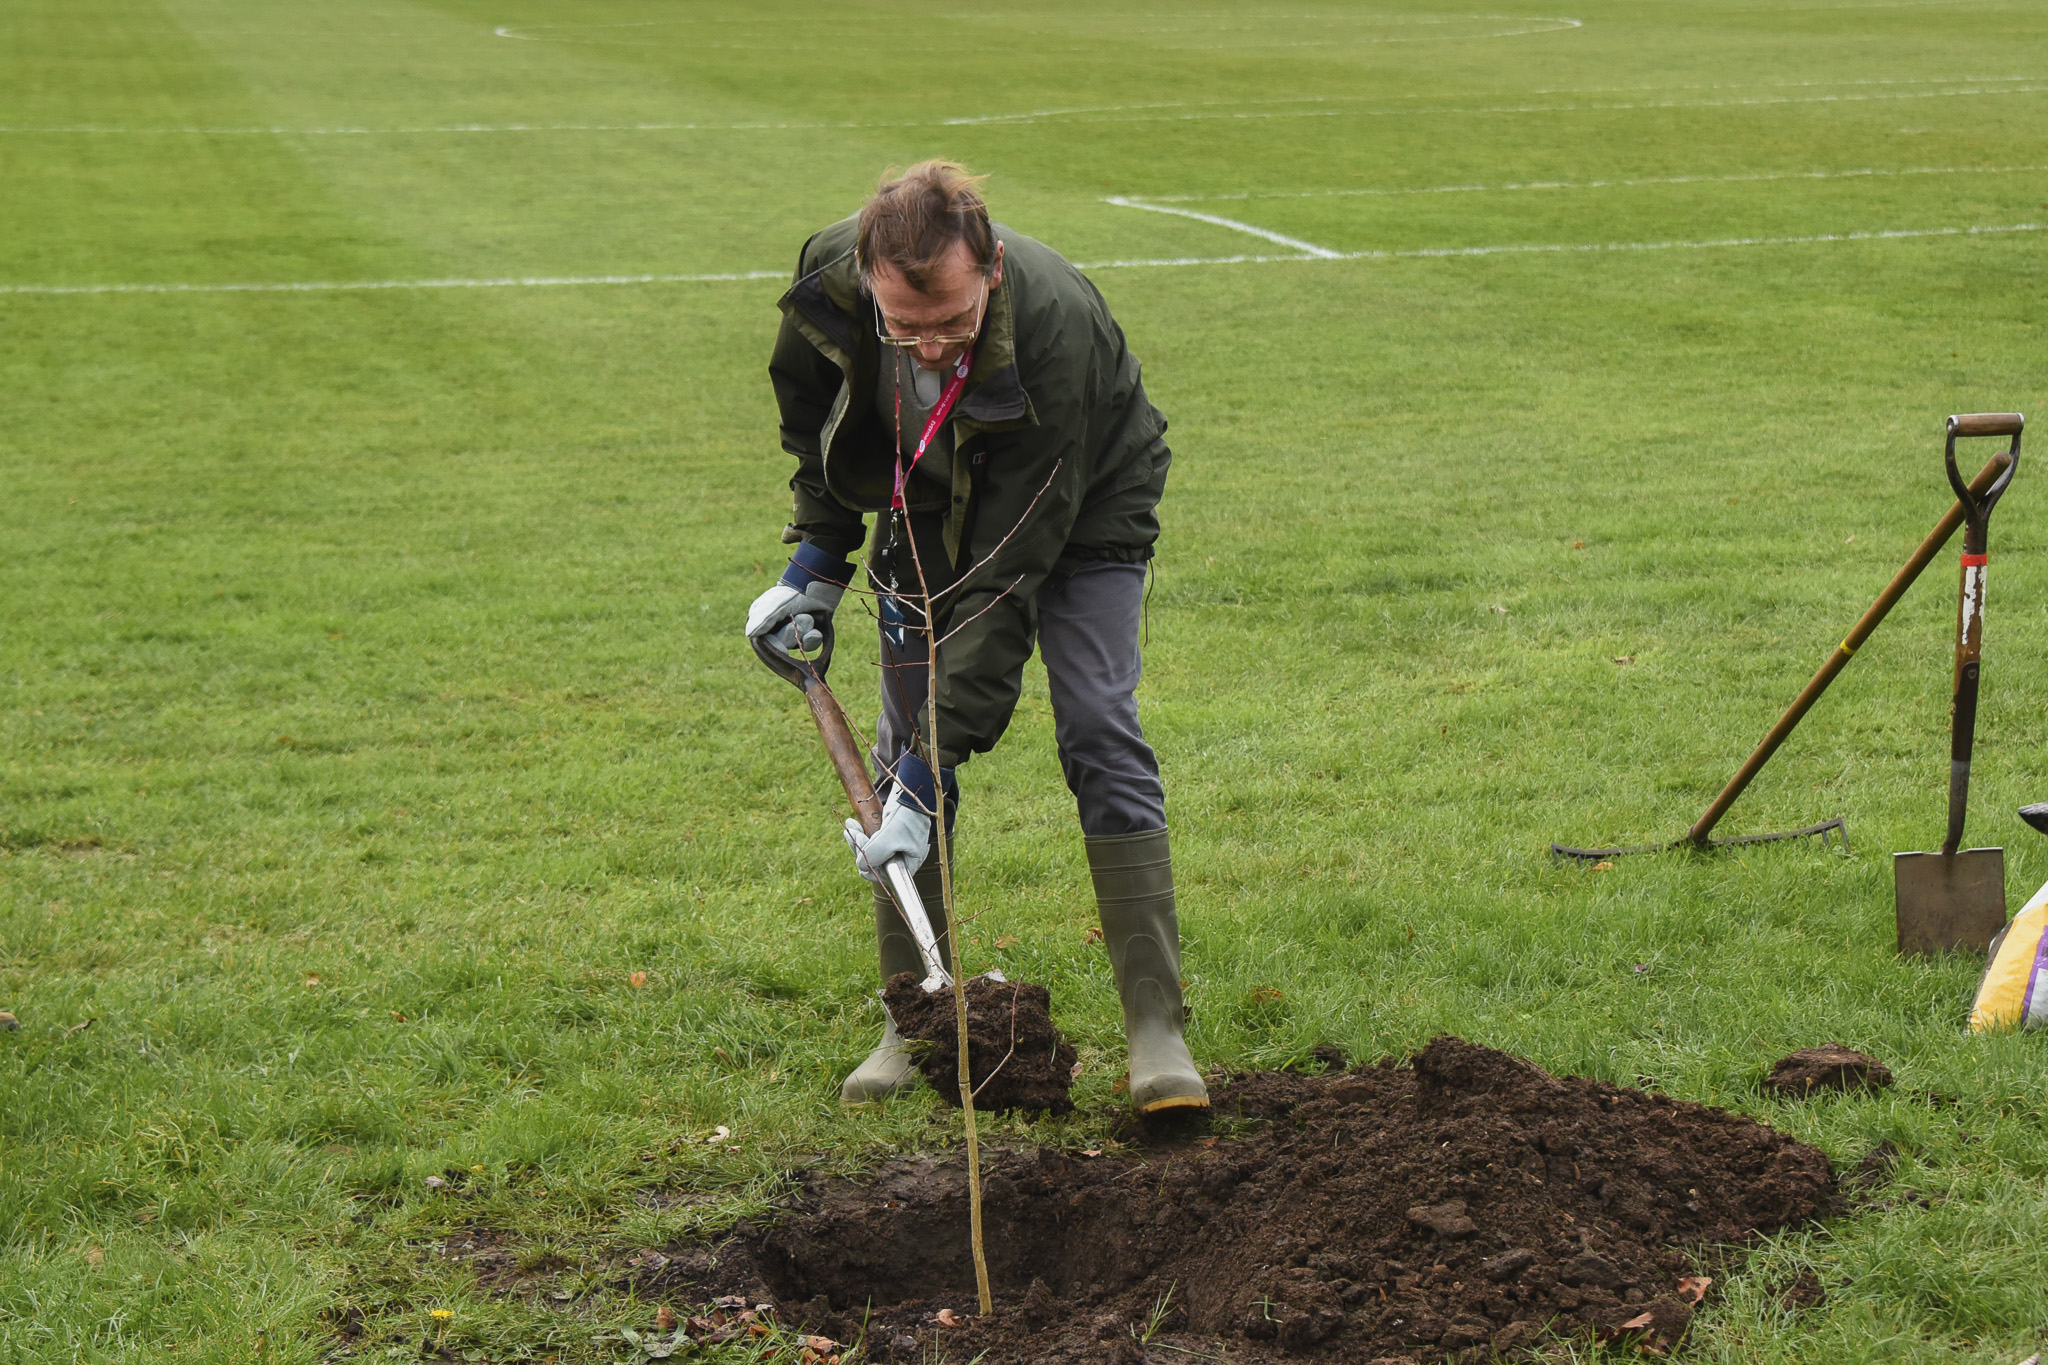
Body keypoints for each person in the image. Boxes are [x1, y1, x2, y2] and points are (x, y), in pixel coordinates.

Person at [745, 161, 1206, 1115]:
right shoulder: (832, 278)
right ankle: (912, 1025)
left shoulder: (1054, 325)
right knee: (895, 752)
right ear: (868, 276)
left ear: (990, 267)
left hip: (1080, 513)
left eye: (951, 324)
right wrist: (818, 561)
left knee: (1097, 728)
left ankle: (1155, 1028)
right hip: (925, 499)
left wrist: (929, 768)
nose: (926, 348)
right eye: (903, 328)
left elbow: (1003, 580)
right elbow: (822, 419)